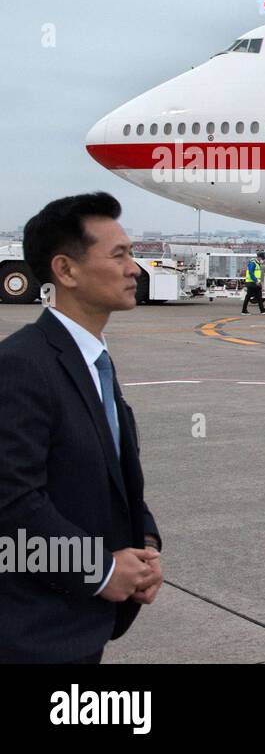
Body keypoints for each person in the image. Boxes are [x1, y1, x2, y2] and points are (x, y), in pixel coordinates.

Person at [0, 192, 163, 663]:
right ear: (66, 271)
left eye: (132, 252)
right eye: (119, 255)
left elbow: (113, 476)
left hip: (83, 626)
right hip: (31, 636)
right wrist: (99, 570)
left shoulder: (93, 362)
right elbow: (12, 504)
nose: (135, 268)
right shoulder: (21, 366)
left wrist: (145, 542)